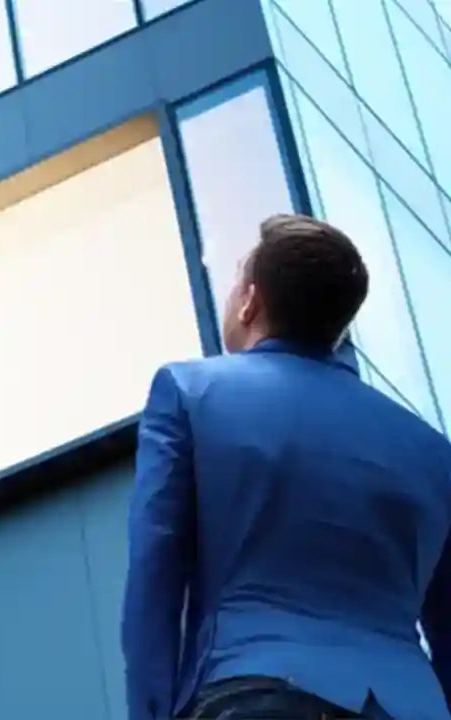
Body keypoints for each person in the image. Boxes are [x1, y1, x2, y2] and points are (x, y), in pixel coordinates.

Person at [121, 214, 451, 720]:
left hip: (254, 688)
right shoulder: (430, 450)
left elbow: (155, 572)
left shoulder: (189, 393)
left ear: (251, 300)